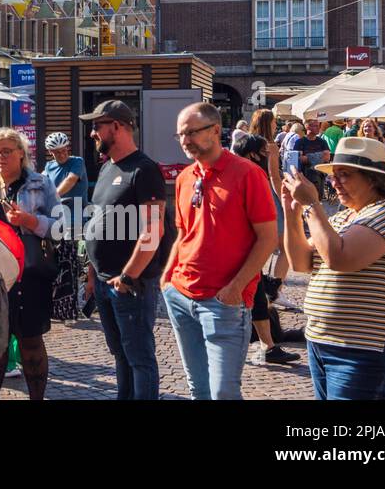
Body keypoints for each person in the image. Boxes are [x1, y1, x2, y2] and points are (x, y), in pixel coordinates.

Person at [282, 136, 385, 400]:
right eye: (334, 175)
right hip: (323, 342)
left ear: (372, 178)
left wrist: (312, 205)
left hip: (368, 348)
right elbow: (300, 261)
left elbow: (340, 259)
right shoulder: (342, 216)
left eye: (344, 175)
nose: (334, 182)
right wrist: (292, 213)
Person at [160, 103, 277, 400]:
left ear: (215, 130)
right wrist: (168, 278)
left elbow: (267, 238)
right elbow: (183, 232)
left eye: (191, 133)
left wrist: (236, 287)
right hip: (180, 294)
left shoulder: (248, 174)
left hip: (224, 301)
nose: (185, 140)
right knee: (198, 388)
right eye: (180, 135)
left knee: (223, 392)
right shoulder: (186, 177)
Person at [81, 100, 166, 400]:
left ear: (117, 126)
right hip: (105, 282)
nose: (92, 133)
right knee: (120, 354)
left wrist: (127, 277)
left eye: (96, 126)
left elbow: (153, 229)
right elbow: (96, 220)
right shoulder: (107, 168)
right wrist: (92, 274)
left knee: (139, 357)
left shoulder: (144, 170)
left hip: (130, 285)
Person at [0, 128, 60, 400]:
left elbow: (61, 228)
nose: (0, 157)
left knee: (31, 342)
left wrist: (30, 222)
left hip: (30, 276)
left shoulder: (40, 184)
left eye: (7, 151)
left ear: (21, 154)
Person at [230, 134, 300, 366]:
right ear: (252, 154)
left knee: (257, 296)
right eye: (265, 152)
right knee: (249, 297)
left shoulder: (233, 171)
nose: (269, 155)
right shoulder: (251, 173)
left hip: (242, 246)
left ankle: (268, 346)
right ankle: (258, 346)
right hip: (242, 248)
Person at [247, 108, 296, 308]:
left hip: (250, 194)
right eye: (275, 122)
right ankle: (274, 290)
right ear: (269, 123)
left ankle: (258, 287)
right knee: (285, 247)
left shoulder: (247, 143)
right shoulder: (270, 146)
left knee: (258, 245)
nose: (276, 125)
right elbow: (274, 177)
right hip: (268, 195)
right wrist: (285, 201)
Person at [43, 131, 88, 322]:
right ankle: (60, 301)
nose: (61, 155)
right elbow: (42, 182)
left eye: (63, 151)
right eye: (56, 152)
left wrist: (53, 197)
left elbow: (70, 180)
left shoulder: (77, 161)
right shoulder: (49, 166)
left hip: (76, 216)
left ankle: (77, 301)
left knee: (74, 260)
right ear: (50, 152)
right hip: (56, 219)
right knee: (58, 259)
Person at [290, 118, 331, 189]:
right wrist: (320, 156)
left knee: (318, 198)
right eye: (315, 126)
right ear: (307, 127)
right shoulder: (300, 142)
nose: (318, 128)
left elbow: (327, 157)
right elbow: (299, 159)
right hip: (305, 178)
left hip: (320, 177)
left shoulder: (322, 141)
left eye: (319, 125)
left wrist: (308, 157)